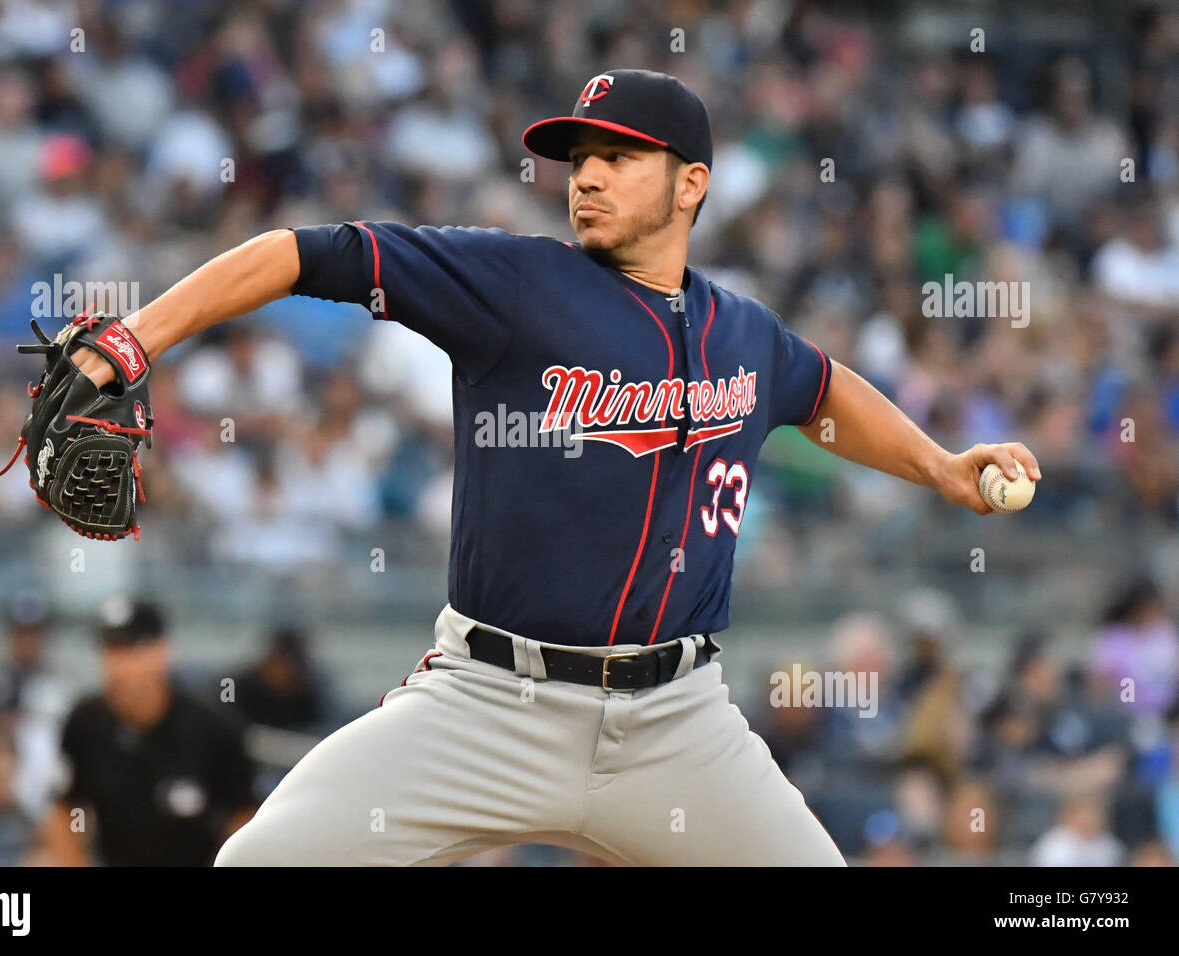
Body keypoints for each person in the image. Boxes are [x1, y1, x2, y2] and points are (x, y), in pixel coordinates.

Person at [70, 69, 1041, 865]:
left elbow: (822, 391)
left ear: (690, 183)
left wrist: (942, 465)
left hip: (677, 723)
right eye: (579, 159)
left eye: (618, 157)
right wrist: (135, 338)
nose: (585, 176)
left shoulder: (743, 334)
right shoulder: (514, 285)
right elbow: (301, 252)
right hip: (489, 703)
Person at [41, 599, 256, 866]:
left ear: (162, 651)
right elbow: (62, 808)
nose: (119, 666)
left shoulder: (211, 727)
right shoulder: (86, 722)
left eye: (132, 650)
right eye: (110, 650)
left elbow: (245, 814)